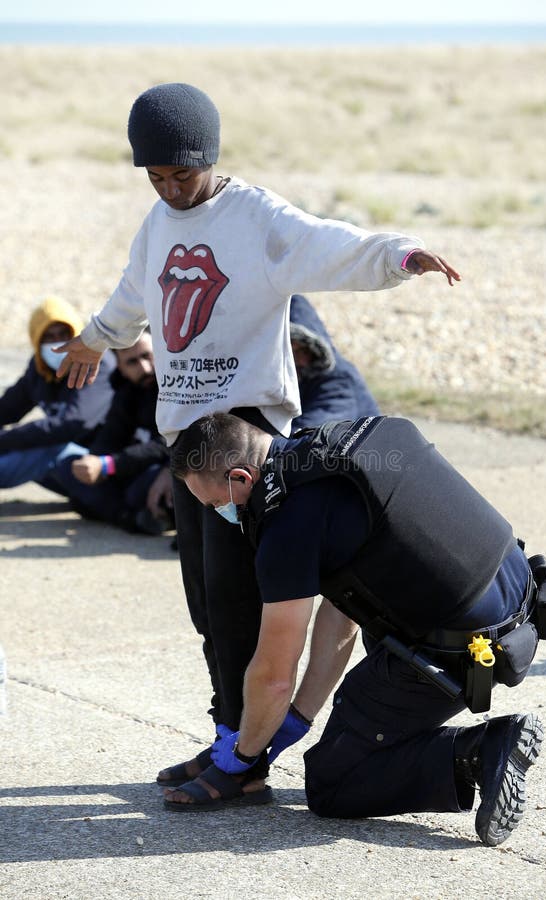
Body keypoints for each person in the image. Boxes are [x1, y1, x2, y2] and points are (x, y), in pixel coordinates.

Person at [54, 82, 461, 798]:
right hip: (188, 443)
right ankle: (226, 738)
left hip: (246, 441)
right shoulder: (156, 223)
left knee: (243, 601)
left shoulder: (255, 216)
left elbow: (329, 244)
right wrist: (93, 338)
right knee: (209, 606)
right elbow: (132, 296)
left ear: (209, 157)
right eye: (156, 177)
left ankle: (244, 765)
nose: (172, 189)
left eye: (182, 174)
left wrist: (401, 254)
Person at [167, 412, 546, 846]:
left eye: (215, 504)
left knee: (331, 782)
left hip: (467, 649)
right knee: (372, 667)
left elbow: (274, 674)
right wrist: (297, 720)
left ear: (241, 477)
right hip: (521, 593)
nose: (220, 514)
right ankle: (399, 733)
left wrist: (242, 758)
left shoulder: (287, 525)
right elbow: (345, 614)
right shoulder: (338, 446)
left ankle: (481, 748)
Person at [55, 330, 172, 534]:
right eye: (132, 362)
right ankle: (131, 517)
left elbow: (165, 444)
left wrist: (106, 465)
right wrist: (94, 463)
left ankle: (121, 513)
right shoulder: (125, 393)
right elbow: (111, 436)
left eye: (147, 356)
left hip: (166, 469)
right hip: (128, 468)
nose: (144, 368)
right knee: (69, 466)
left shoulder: (175, 389)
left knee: (134, 492)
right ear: (121, 368)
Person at [0, 296, 114, 493]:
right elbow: (7, 408)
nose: (57, 344)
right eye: (48, 337)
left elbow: (73, 423)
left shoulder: (97, 365)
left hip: (104, 460)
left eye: (64, 334)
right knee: (30, 442)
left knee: (48, 445)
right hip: (70, 466)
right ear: (36, 340)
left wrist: (5, 439)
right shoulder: (40, 368)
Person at [289, 294, 380, 429]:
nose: (301, 361)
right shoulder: (293, 380)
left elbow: (308, 439)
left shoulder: (339, 383)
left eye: (304, 351)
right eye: (292, 353)